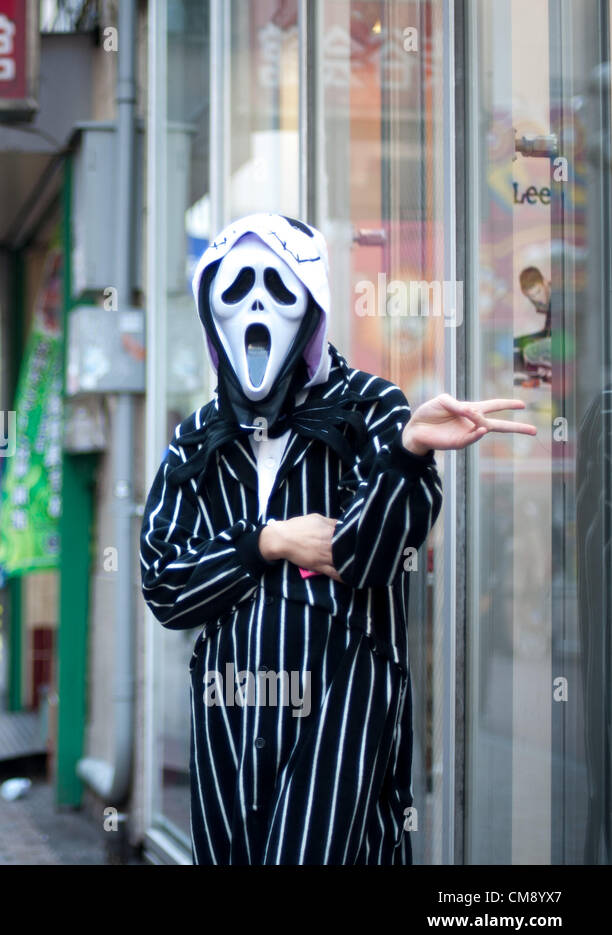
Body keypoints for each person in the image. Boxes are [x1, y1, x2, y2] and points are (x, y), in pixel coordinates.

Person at [139, 214, 536, 865]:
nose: (257, 303)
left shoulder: (369, 409)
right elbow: (165, 584)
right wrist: (269, 541)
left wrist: (406, 452)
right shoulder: (200, 438)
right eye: (237, 288)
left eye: (277, 283)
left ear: (312, 302)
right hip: (229, 709)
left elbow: (369, 556)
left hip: (341, 699)